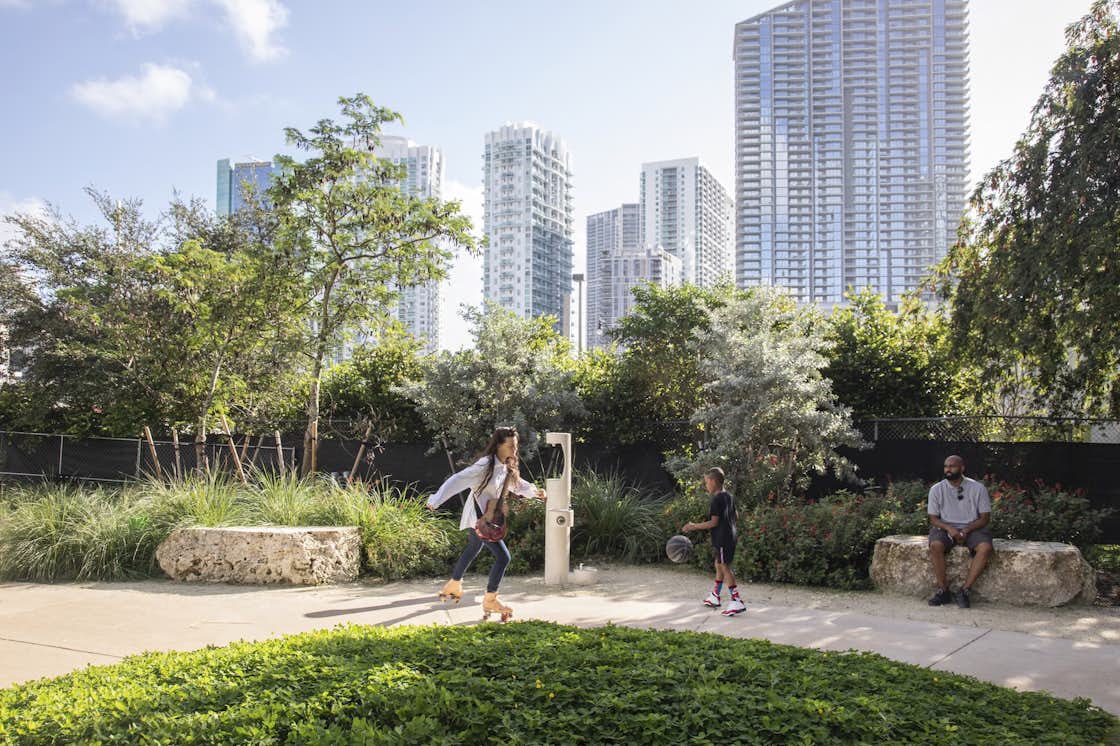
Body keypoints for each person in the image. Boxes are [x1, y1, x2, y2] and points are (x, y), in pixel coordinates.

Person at [427, 426, 544, 621]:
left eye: (515, 446)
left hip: (488, 518)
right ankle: (490, 599)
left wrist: (535, 492)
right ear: (498, 445)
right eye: (510, 446)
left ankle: (454, 585)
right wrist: (436, 500)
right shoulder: (484, 465)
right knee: (503, 557)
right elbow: (457, 480)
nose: (514, 450)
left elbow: (518, 484)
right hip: (480, 520)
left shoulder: (507, 464)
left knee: (474, 548)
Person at [927, 455, 994, 609]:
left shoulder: (978, 488)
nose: (948, 470)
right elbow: (933, 519)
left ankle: (964, 591)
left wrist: (967, 529)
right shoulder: (936, 489)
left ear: (962, 468)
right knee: (935, 545)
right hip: (945, 527)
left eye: (952, 466)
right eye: (946, 466)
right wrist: (950, 529)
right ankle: (943, 591)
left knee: (985, 548)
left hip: (973, 527)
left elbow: (984, 518)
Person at [682, 467, 745, 616]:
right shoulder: (728, 496)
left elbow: (713, 523)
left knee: (724, 566)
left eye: (706, 482)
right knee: (719, 564)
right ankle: (715, 596)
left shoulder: (716, 499)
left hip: (723, 538)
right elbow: (736, 515)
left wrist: (693, 526)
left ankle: (736, 600)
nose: (706, 486)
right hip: (730, 536)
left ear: (713, 481)